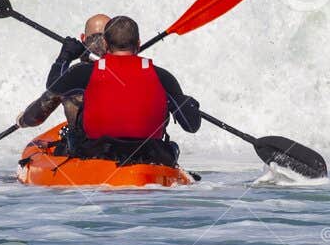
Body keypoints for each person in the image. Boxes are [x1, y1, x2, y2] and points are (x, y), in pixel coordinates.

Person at [18, 15, 201, 165]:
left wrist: (65, 56)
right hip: (149, 156)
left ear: (105, 44)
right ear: (138, 43)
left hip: (97, 155)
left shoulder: (84, 73)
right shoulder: (163, 76)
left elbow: (52, 87)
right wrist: (187, 103)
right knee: (172, 148)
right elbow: (192, 126)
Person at [47, 13, 109, 128]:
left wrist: (65, 57)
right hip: (134, 142)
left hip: (86, 143)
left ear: (83, 38)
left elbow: (53, 87)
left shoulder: (77, 74)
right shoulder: (140, 70)